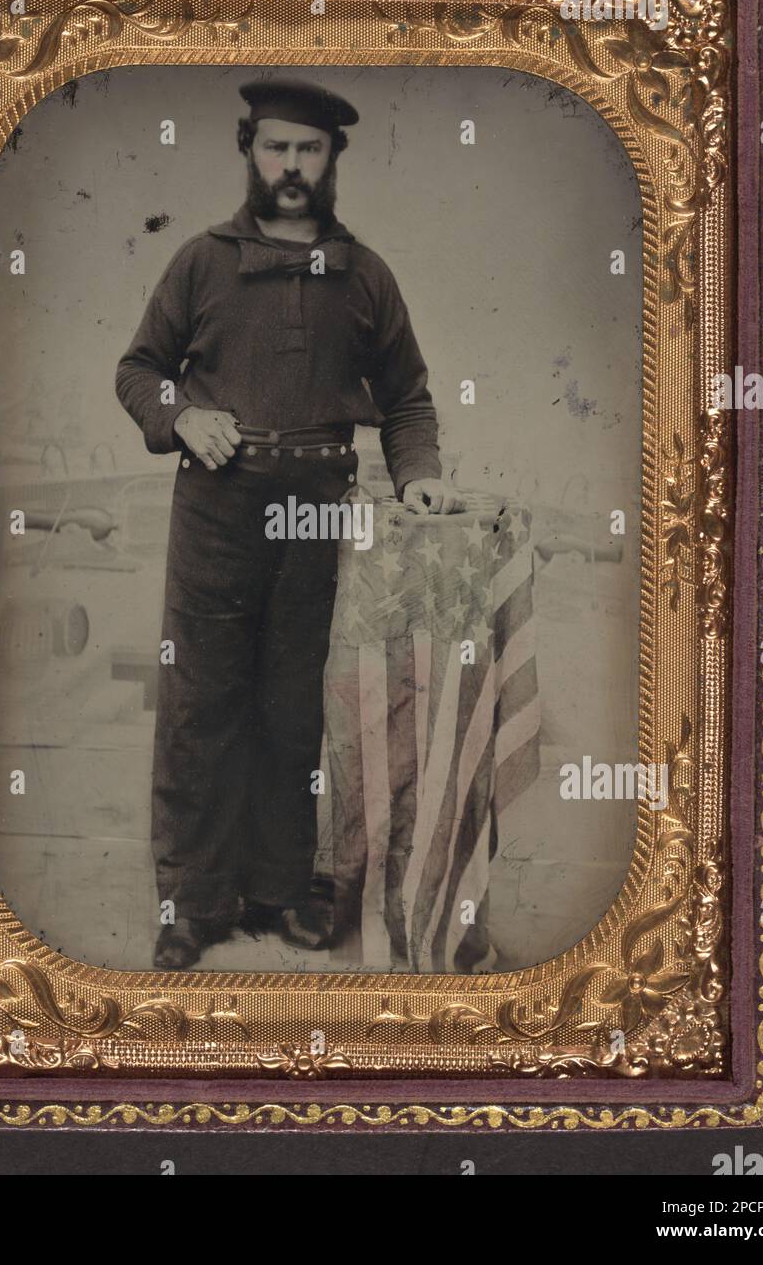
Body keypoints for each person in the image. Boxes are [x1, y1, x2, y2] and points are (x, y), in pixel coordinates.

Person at [116, 77, 465, 970]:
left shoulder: (366, 276)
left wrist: (419, 476)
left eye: (308, 150)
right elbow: (140, 369)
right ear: (249, 151)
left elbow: (409, 400)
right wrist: (181, 418)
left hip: (316, 511)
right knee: (200, 705)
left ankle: (275, 890)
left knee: (289, 706)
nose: (291, 166)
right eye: (276, 148)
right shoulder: (199, 261)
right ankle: (191, 904)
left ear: (333, 160)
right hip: (217, 508)